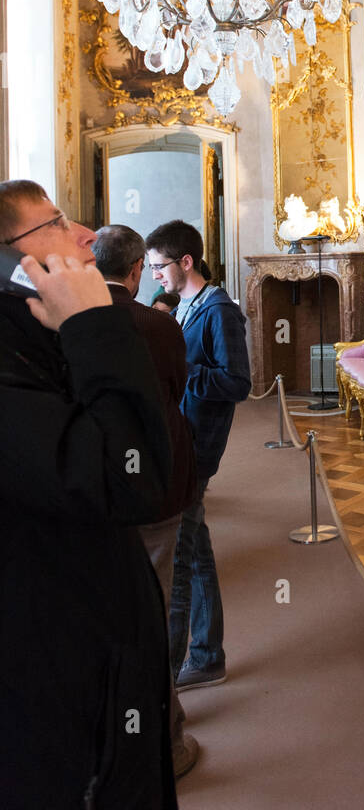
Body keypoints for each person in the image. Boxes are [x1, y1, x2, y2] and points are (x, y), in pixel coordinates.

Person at [0, 180, 182, 810]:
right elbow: (132, 478)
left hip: (93, 687)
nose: (86, 236)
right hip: (61, 723)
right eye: (57, 223)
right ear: (10, 260)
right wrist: (91, 324)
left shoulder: (27, 339)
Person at [93, 224, 199, 778]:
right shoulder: (159, 328)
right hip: (155, 491)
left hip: (94, 495)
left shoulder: (71, 327)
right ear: (136, 272)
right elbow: (176, 391)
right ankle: (164, 746)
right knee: (151, 613)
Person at [145, 220, 251, 689]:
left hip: (198, 446)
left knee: (183, 561)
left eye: (158, 267)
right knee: (197, 550)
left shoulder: (219, 311)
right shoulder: (187, 305)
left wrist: (182, 369)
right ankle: (208, 655)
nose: (154, 277)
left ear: (186, 262)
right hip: (184, 439)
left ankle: (185, 668)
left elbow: (238, 383)